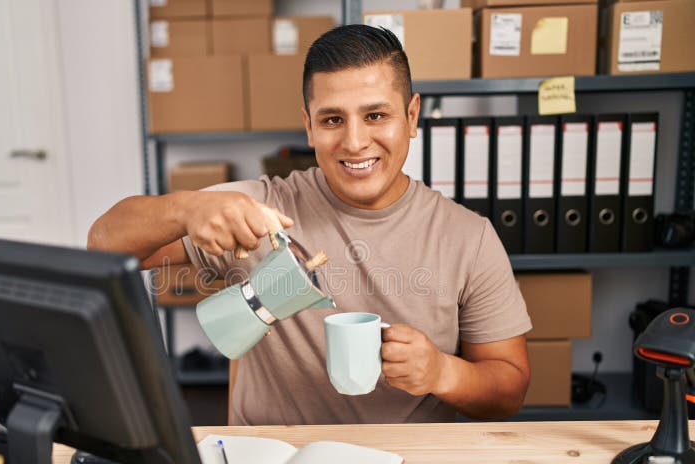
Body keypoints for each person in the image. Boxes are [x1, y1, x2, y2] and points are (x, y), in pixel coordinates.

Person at [88, 25, 532, 425]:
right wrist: (185, 208)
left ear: (412, 117)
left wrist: (441, 372)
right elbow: (103, 247)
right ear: (308, 126)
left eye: (376, 115)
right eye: (332, 120)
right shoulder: (260, 207)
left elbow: (509, 390)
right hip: (268, 461)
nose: (355, 142)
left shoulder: (468, 238)